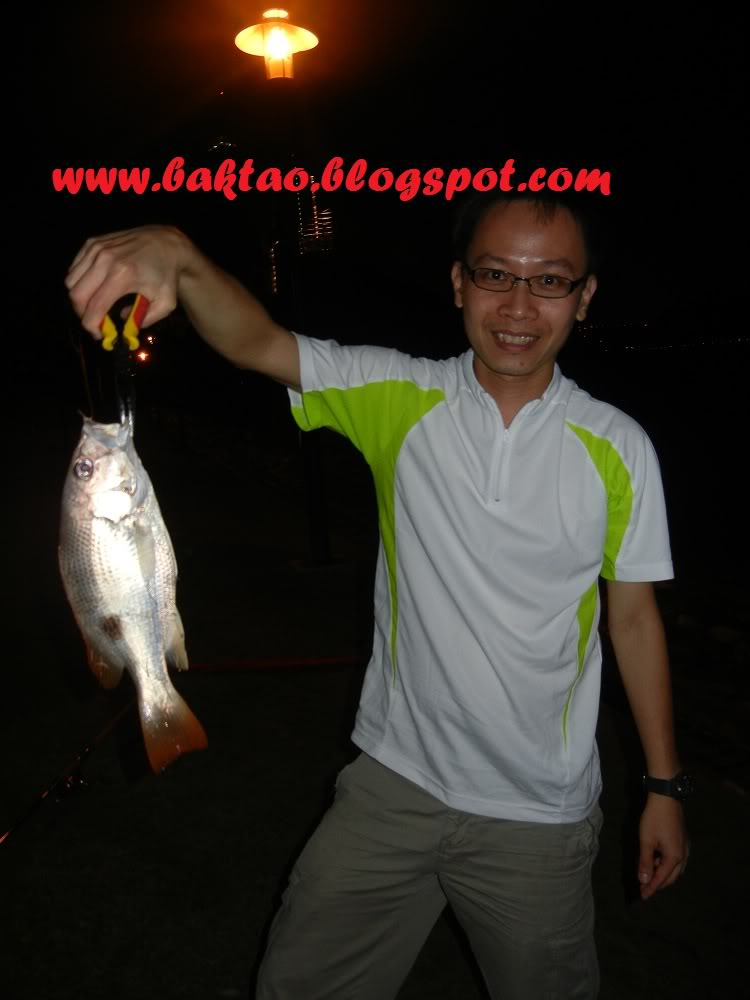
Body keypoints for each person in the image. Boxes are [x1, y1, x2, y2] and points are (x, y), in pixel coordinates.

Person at [66, 191, 690, 1000]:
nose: (518, 306)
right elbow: (259, 343)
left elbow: (633, 622)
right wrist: (180, 255)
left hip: (537, 811)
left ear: (586, 296)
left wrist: (665, 789)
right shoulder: (400, 396)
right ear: (459, 283)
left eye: (550, 282)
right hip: (392, 782)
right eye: (496, 274)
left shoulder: (618, 447)